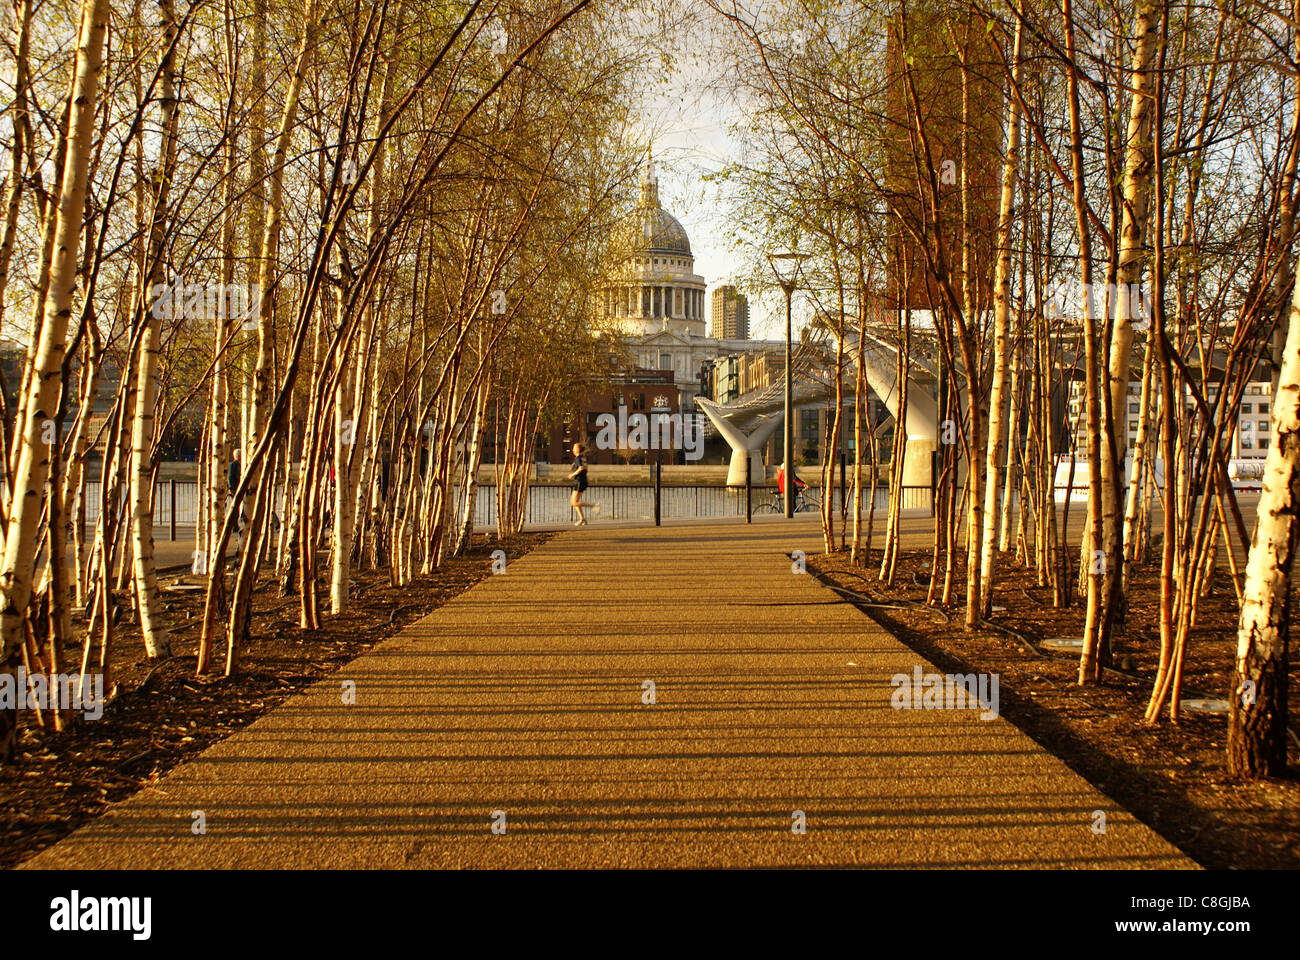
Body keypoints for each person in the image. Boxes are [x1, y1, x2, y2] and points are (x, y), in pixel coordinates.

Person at [567, 442, 600, 525]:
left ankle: (593, 506)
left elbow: (581, 468)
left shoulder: (578, 458)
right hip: (583, 481)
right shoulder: (583, 458)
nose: (572, 449)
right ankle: (582, 519)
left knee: (573, 502)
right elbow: (586, 468)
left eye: (574, 448)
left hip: (579, 481)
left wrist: (572, 475)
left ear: (577, 449)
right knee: (575, 501)